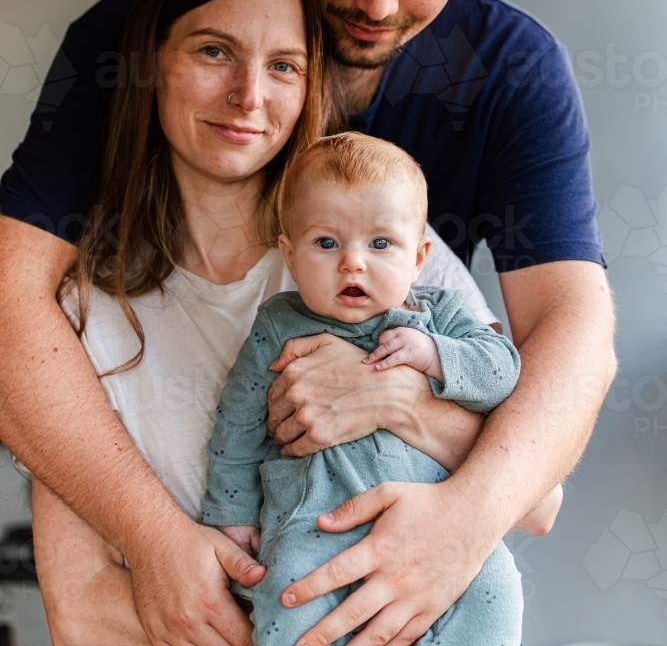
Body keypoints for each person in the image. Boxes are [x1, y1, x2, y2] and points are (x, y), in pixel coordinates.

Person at [0, 0, 615, 646]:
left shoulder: (511, 71)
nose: (376, 5)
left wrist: (459, 522)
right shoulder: (141, 39)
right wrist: (153, 538)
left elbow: (574, 332)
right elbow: (14, 298)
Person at [29, 0, 518, 646]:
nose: (247, 95)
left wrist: (394, 400)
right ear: (151, 64)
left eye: (284, 66)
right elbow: (80, 608)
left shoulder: (387, 243)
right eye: (213, 51)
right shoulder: (81, 305)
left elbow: (536, 502)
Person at [204, 132, 524, 646]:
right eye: (326, 242)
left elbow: (502, 370)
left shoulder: (436, 314)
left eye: (380, 244)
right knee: (287, 594)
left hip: (434, 518)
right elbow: (237, 420)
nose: (353, 263)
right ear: (289, 253)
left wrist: (436, 356)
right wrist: (232, 513)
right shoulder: (278, 327)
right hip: (314, 522)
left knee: (495, 587)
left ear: (419, 258)